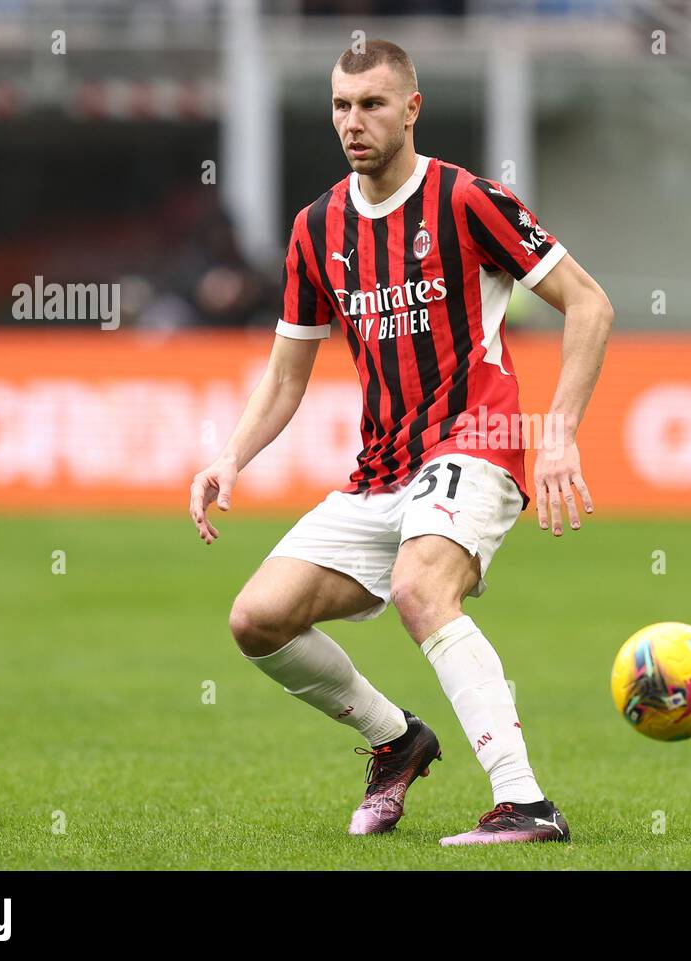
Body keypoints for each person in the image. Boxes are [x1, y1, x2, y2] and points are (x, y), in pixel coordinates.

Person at [189, 39, 613, 846]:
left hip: (476, 440)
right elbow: (285, 377)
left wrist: (557, 435)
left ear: (412, 108)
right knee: (257, 619)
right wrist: (229, 456)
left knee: (423, 589)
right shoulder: (316, 229)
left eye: (373, 104)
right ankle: (397, 740)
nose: (355, 122)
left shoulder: (467, 200)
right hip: (382, 470)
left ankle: (526, 803)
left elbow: (589, 305)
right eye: (343, 106)